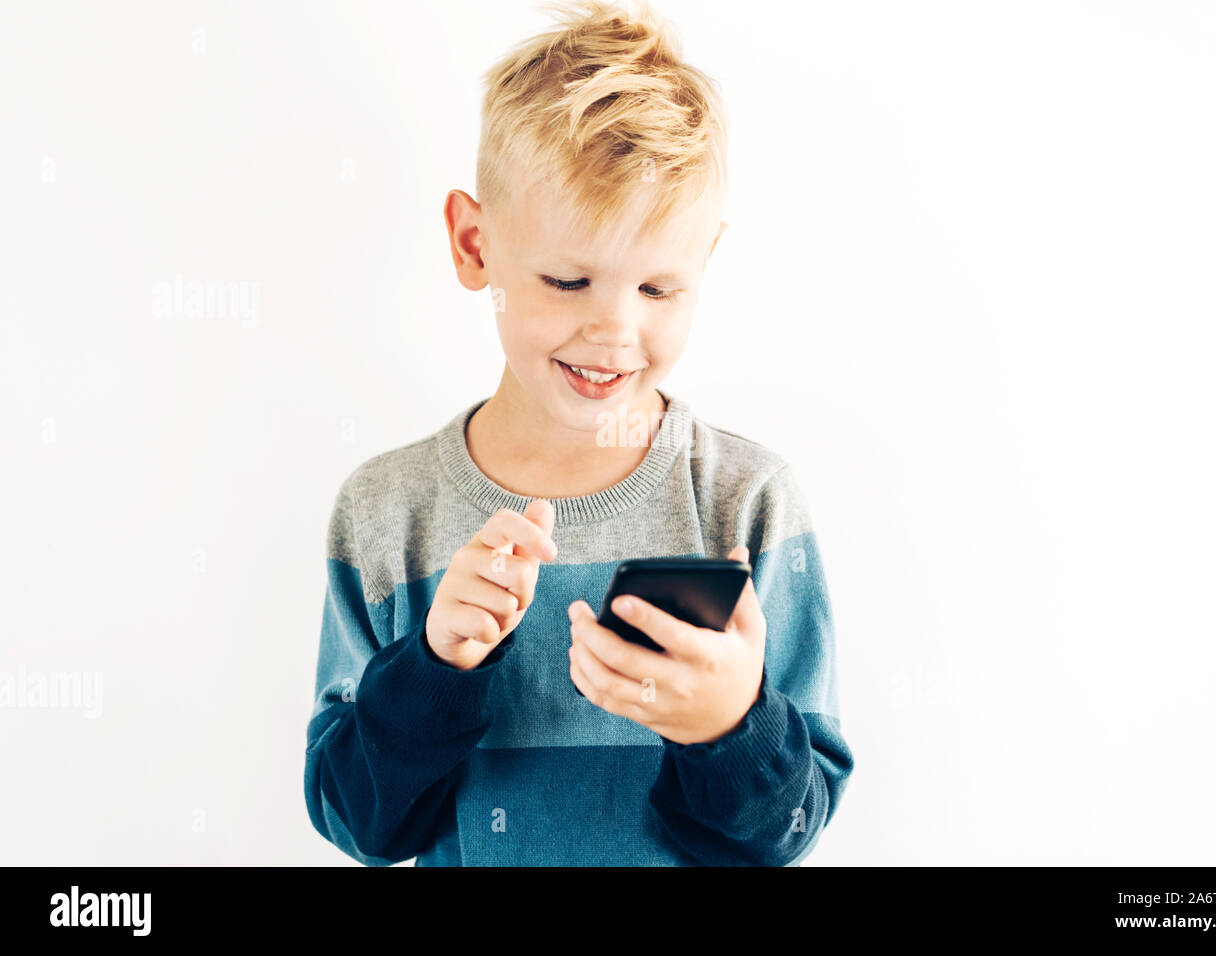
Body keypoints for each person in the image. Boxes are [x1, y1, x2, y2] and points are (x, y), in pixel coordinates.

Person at [304, 0, 853, 866]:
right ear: (475, 243)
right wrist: (436, 671)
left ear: (705, 262)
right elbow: (357, 823)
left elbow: (791, 830)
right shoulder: (386, 512)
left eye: (658, 291)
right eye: (567, 280)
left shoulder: (748, 502)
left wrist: (728, 727)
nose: (613, 333)